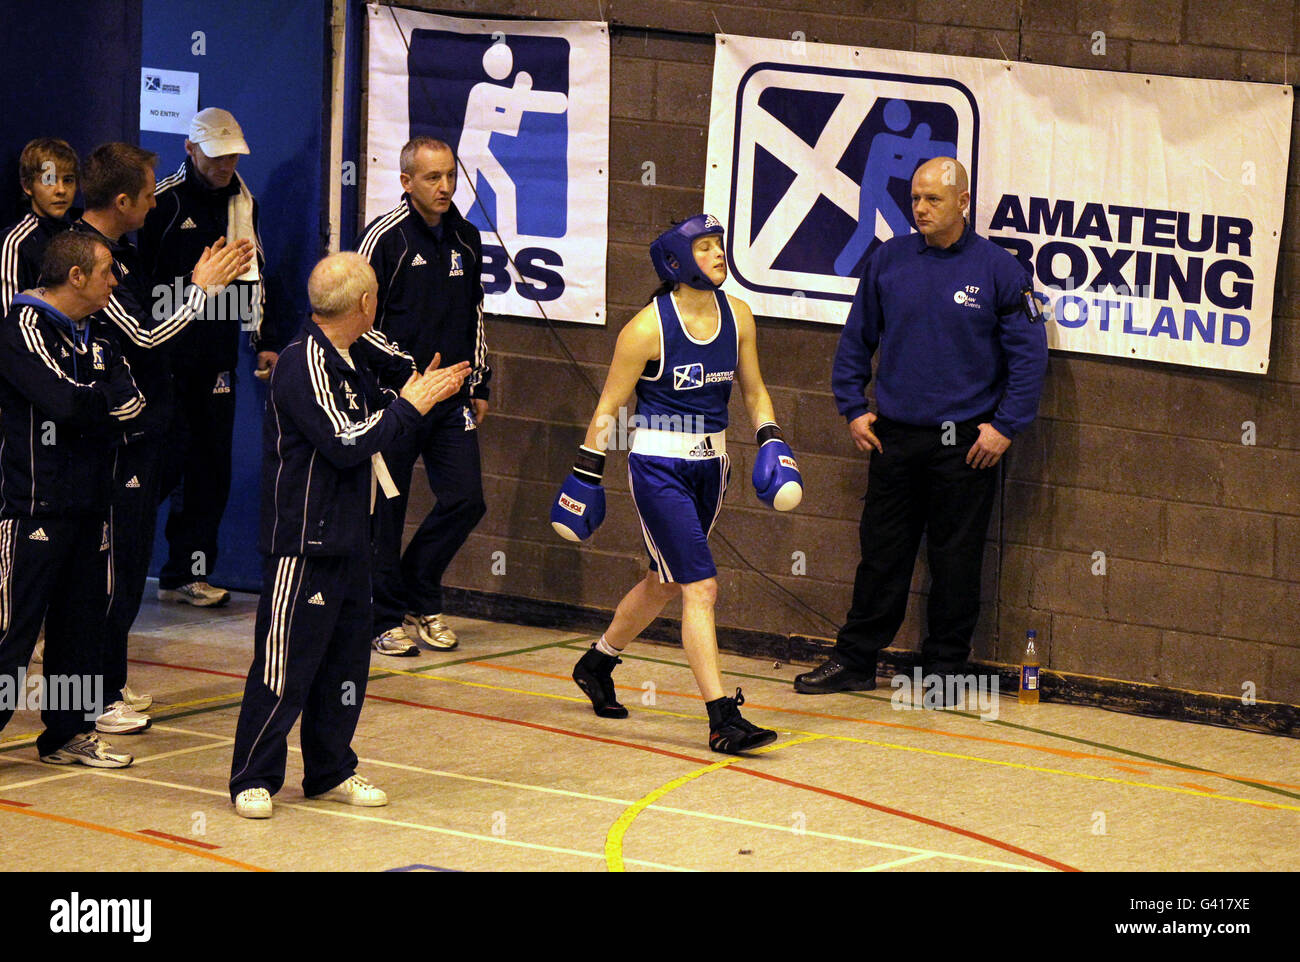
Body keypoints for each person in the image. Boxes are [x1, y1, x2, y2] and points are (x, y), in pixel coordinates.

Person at [795, 157, 1048, 699]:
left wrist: (1005, 426)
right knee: (881, 554)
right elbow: (856, 339)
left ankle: (944, 671)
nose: (920, 209)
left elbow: (1028, 357)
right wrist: (852, 406)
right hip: (895, 436)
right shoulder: (888, 260)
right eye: (914, 198)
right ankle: (856, 659)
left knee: (957, 560)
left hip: (967, 444)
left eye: (933, 199)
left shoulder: (1000, 270)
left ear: (962, 203)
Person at [550, 214, 803, 754]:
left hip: (713, 467)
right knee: (700, 587)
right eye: (706, 247)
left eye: (719, 245)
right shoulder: (646, 329)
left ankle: (597, 662)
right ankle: (721, 719)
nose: (717, 255)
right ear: (676, 261)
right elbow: (610, 406)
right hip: (659, 469)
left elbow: (754, 391)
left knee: (664, 582)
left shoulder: (739, 316)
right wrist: (585, 472)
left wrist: (771, 439)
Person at [228, 252, 468, 818]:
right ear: (365, 303)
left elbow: (375, 413)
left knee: (344, 667)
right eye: (376, 295)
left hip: (352, 537)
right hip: (304, 544)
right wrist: (412, 405)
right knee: (283, 665)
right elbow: (347, 442)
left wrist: (411, 397)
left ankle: (331, 769)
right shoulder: (301, 362)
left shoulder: (350, 355)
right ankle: (251, 778)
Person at [75, 143, 252, 733]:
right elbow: (147, 337)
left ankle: (110, 679)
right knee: (116, 570)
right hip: (114, 439)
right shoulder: (95, 258)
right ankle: (91, 699)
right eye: (150, 194)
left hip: (146, 429)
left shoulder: (122, 251)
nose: (157, 201)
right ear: (123, 200)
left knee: (127, 564)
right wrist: (201, 289)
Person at [0, 232, 147, 768]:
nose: (117, 280)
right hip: (32, 509)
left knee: (81, 628)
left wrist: (96, 405)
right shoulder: (22, 329)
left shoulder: (100, 337)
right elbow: (63, 401)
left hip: (93, 507)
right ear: (76, 277)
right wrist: (98, 404)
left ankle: (67, 734)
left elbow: (135, 407)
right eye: (108, 270)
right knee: (12, 631)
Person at [137, 107, 291, 608]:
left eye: (233, 156)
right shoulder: (159, 204)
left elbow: (257, 273)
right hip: (163, 358)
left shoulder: (242, 202)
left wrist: (264, 338)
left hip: (217, 358)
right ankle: (110, 559)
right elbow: (135, 284)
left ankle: (187, 572)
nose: (226, 165)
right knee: (158, 466)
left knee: (209, 470)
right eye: (216, 155)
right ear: (190, 148)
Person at [355, 137, 490, 656]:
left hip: (451, 399)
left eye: (450, 175)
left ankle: (417, 592)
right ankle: (382, 617)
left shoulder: (467, 237)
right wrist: (408, 371)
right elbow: (358, 320)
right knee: (386, 512)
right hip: (394, 400)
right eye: (432, 177)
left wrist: (478, 381)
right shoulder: (383, 240)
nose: (445, 186)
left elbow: (475, 312)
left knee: (466, 499)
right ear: (406, 181)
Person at [1, 138, 79, 315]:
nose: (60, 190)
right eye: (49, 180)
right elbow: (8, 320)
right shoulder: (15, 243)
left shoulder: (80, 237)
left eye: (68, 180)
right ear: (27, 186)